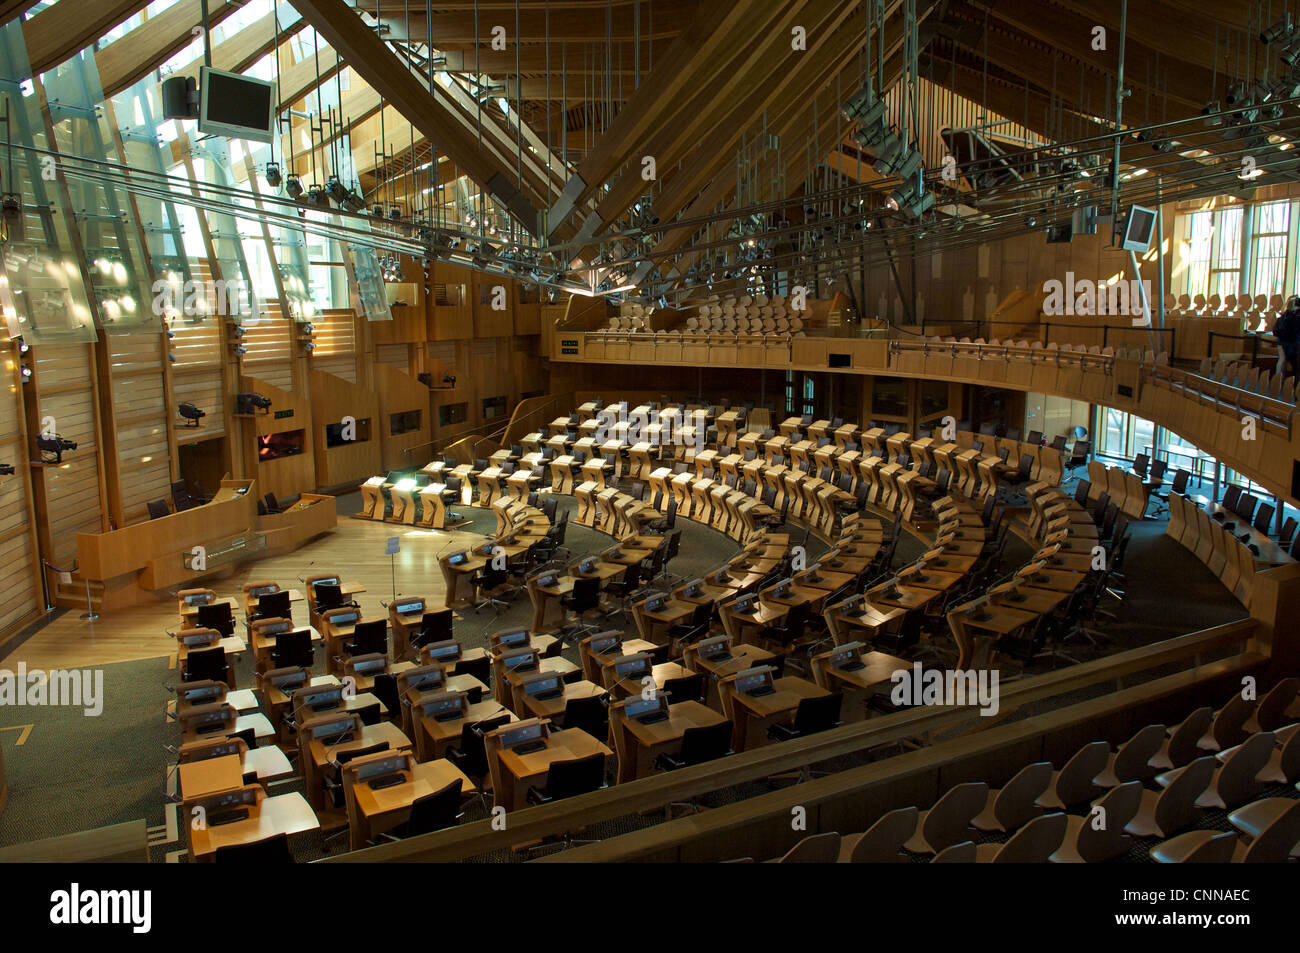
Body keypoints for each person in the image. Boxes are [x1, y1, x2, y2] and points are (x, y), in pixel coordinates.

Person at [1274, 295, 1300, 379]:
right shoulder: (1297, 315)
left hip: (1281, 340)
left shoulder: (1286, 313)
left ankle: (1278, 380)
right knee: (1295, 363)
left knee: (1282, 360)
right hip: (1292, 343)